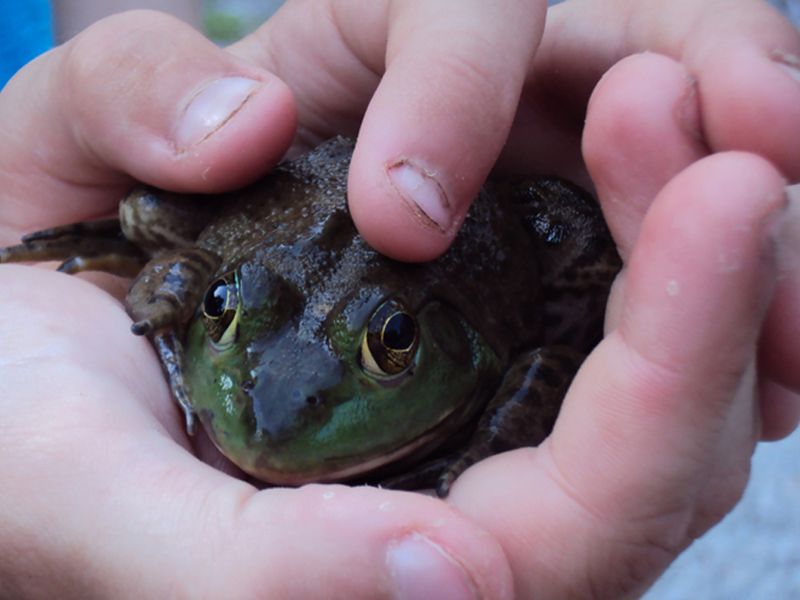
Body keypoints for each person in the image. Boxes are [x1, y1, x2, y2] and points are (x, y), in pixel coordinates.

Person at [1, 1, 798, 597]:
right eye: (222, 314)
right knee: (151, 215)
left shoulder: (494, 345)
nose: (268, 417)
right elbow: (182, 263)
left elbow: (547, 356)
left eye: (389, 349)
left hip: (458, 223)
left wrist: (480, 449)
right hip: (292, 220)